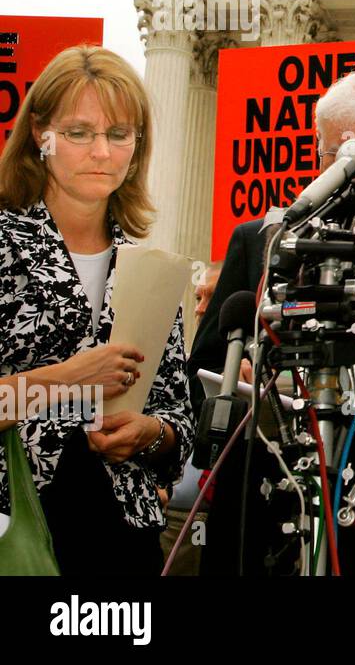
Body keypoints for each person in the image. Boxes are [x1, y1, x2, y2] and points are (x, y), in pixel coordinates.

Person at [192, 66, 355, 576]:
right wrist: (239, 375)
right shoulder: (262, 241)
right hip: (263, 504)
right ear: (324, 153)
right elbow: (200, 365)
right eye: (350, 153)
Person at [0, 45, 193, 575]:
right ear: (40, 135)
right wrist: (63, 380)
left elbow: (178, 414)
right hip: (16, 525)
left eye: (118, 134)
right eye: (79, 133)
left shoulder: (146, 263)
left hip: (121, 537)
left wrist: (150, 434)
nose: (101, 153)